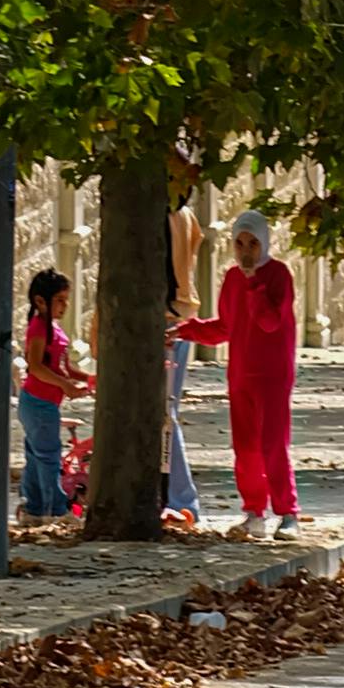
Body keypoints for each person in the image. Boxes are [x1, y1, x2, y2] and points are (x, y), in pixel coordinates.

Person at [181, 208, 302, 538]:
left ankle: (288, 513)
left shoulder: (278, 275)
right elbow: (224, 326)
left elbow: (269, 321)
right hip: (241, 374)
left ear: (264, 243)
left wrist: (255, 286)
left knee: (272, 444)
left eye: (252, 244)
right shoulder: (232, 278)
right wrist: (186, 330)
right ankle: (253, 512)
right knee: (245, 447)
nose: (246, 251)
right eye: (240, 244)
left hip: (273, 374)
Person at [18, 264, 89, 520]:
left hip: (46, 403)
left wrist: (87, 379)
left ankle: (35, 509)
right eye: (59, 300)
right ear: (41, 301)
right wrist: (65, 386)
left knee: (37, 456)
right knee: (48, 457)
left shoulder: (55, 329)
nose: (64, 306)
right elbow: (36, 366)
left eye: (66, 300)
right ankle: (57, 509)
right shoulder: (38, 328)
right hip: (37, 403)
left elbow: (64, 366)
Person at [162, 184, 204, 530]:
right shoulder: (187, 216)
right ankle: (172, 496)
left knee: (165, 414)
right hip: (182, 314)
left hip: (168, 318)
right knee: (166, 411)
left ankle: (181, 499)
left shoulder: (164, 218)